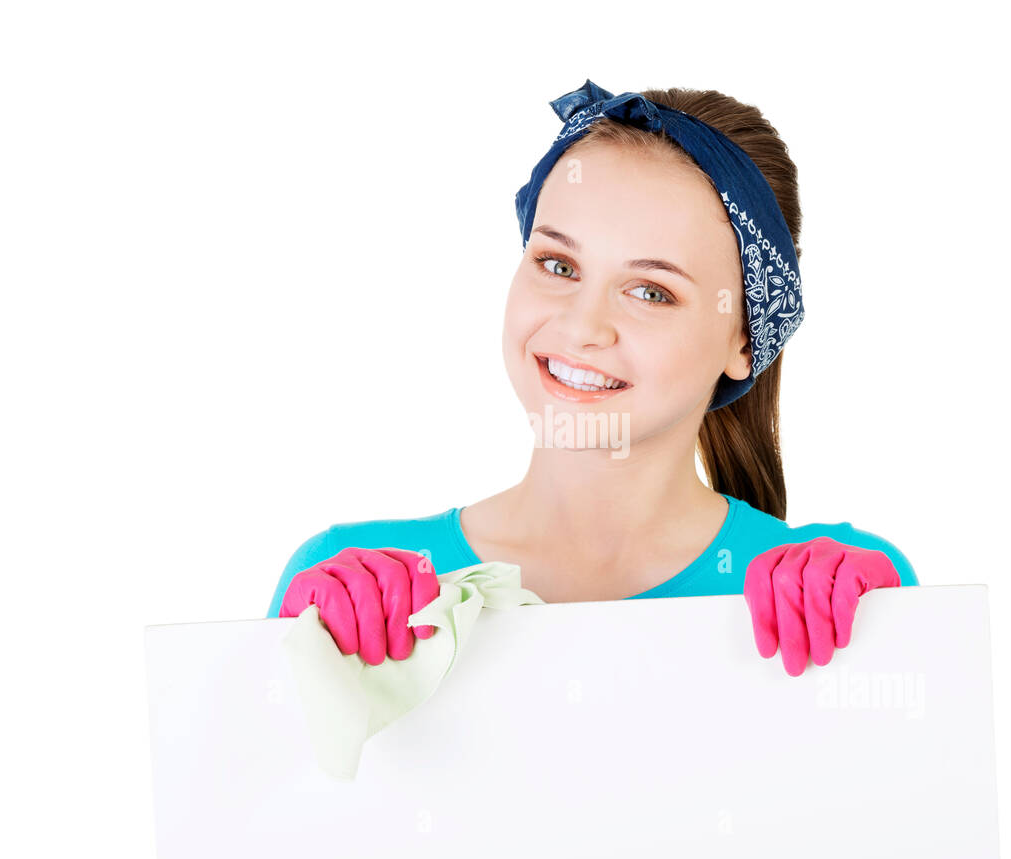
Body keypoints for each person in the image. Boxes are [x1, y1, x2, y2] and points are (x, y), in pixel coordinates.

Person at [268, 80, 917, 678]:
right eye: (557, 263)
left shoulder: (836, 591)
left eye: (650, 291)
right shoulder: (343, 579)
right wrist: (291, 663)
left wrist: (892, 635)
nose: (583, 326)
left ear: (744, 341)